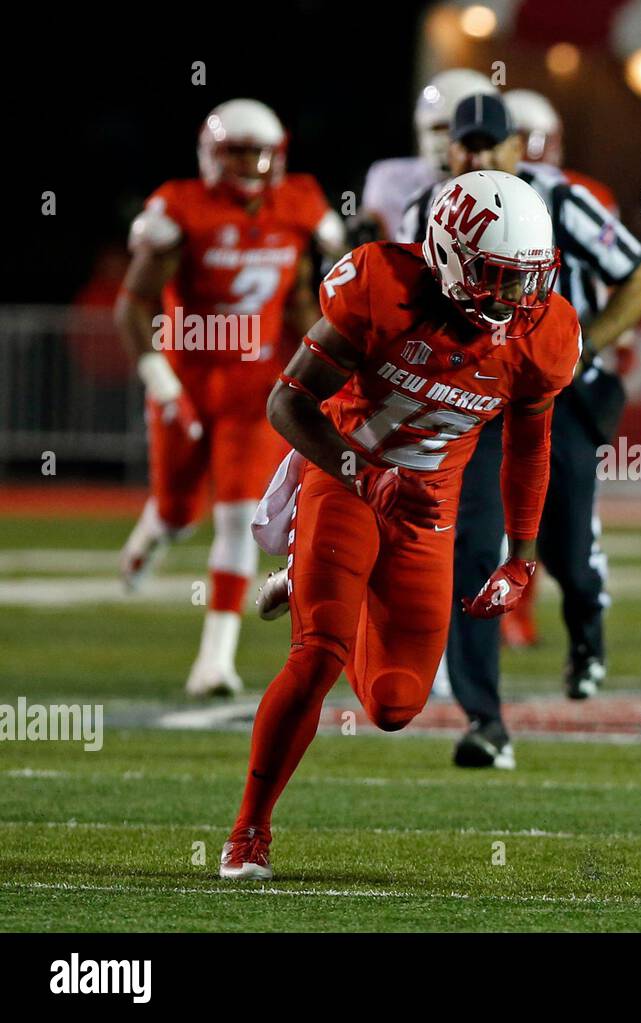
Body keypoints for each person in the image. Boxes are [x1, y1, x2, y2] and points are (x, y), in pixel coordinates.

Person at [220, 170, 581, 879]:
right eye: (496, 277)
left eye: (525, 281)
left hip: (428, 506)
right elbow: (288, 404)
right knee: (318, 652)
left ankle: (308, 584)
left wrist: (522, 557)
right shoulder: (380, 287)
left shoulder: (543, 334)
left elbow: (528, 446)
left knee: (394, 703)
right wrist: (362, 472)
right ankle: (249, 830)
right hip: (346, 474)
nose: (513, 300)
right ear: (447, 255)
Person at [403, 92, 641, 768]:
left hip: (550, 389)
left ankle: (585, 627)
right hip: (473, 398)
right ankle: (485, 718)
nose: (479, 155)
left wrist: (581, 353)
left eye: (493, 143)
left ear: (520, 148)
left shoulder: (560, 200)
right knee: (474, 548)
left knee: (568, 548)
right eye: (468, 143)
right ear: (450, 148)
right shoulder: (423, 211)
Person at [115, 98, 344, 697]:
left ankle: (213, 660)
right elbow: (132, 303)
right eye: (237, 151)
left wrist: (325, 359)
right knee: (177, 511)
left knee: (240, 516)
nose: (249, 163)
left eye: (259, 151)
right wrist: (160, 380)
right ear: (211, 155)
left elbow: (300, 298)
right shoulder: (181, 208)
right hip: (189, 380)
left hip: (256, 385)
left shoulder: (299, 205)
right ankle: (150, 533)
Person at [499, 87, 625, 650]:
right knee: (494, 495)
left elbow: (620, 274)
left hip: (555, 365)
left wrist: (591, 346)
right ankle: (495, 609)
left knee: (558, 501)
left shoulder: (577, 194)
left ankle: (553, 610)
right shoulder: (465, 193)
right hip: (493, 363)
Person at [360, 68, 496, 241]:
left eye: (455, 129)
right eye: (438, 128)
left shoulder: (523, 182)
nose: (444, 140)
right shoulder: (389, 178)